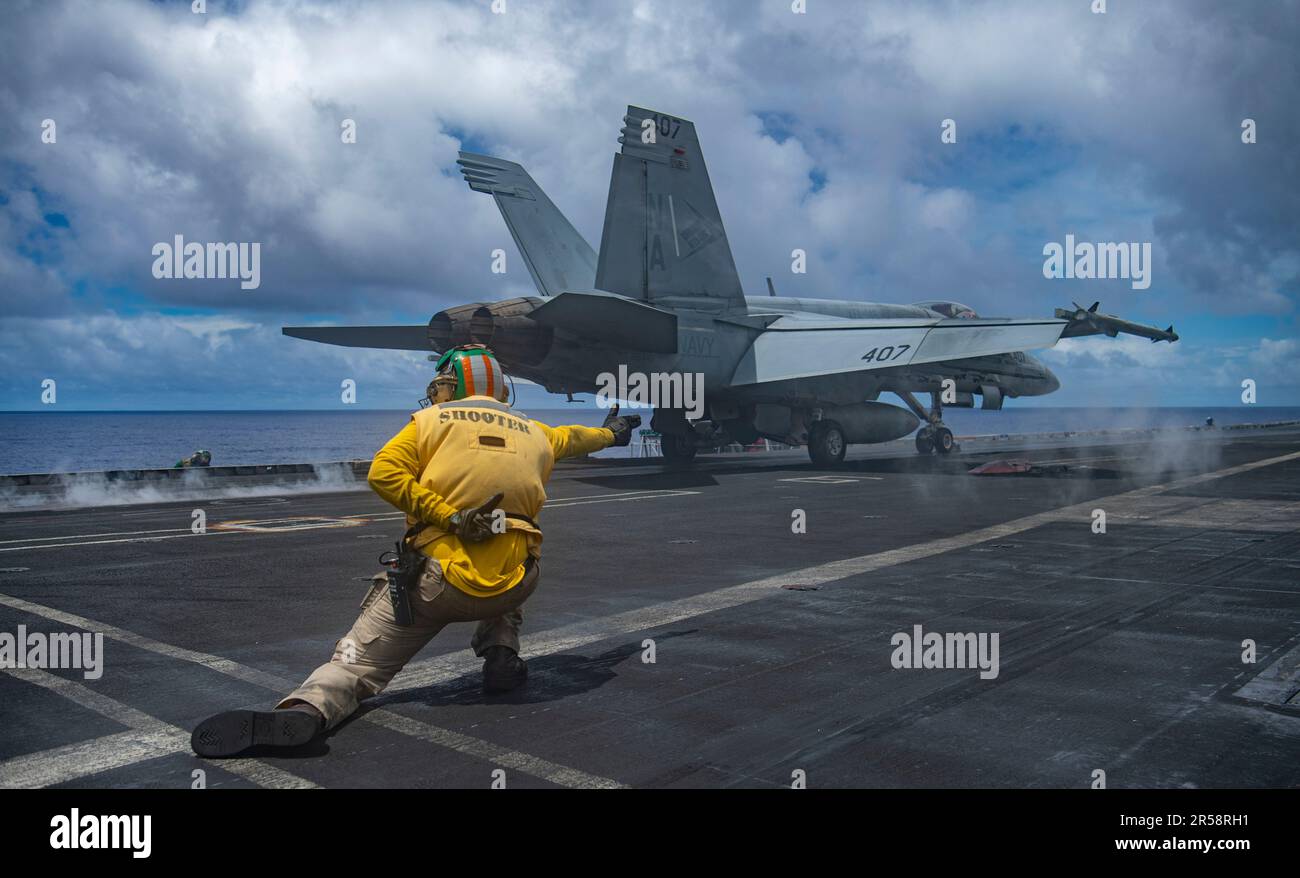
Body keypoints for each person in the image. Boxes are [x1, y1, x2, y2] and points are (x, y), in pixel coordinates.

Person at [191, 344, 639, 757]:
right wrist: (612, 432)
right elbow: (577, 437)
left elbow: (383, 474)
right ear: (501, 388)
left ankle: (306, 711)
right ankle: (501, 656)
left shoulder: (429, 422)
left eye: (442, 384)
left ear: (453, 386)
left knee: (355, 665)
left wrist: (452, 517)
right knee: (506, 554)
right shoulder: (537, 431)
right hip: (516, 583)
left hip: (436, 586)